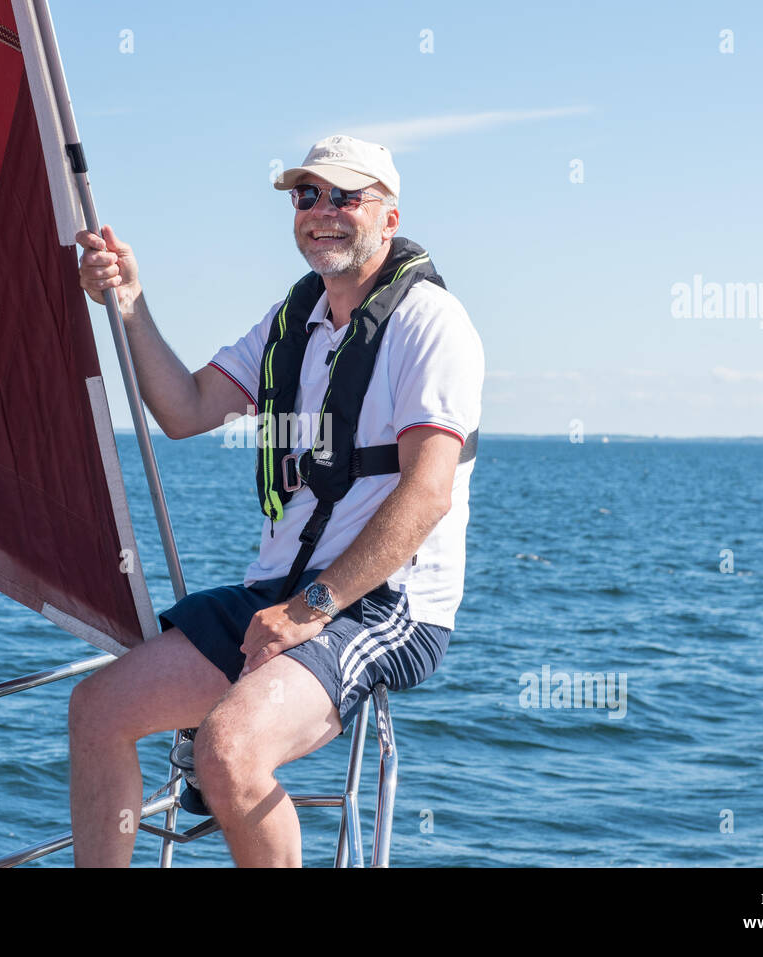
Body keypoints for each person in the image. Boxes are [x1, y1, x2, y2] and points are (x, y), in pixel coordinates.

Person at [68, 134, 484, 867]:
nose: (322, 212)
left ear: (388, 217)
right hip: (284, 591)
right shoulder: (293, 323)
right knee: (96, 710)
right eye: (306, 196)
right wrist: (129, 303)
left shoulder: (430, 323)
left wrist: (311, 607)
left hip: (384, 604)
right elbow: (185, 407)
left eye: (344, 197)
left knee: (227, 751)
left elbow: (428, 493)